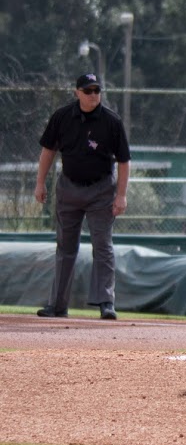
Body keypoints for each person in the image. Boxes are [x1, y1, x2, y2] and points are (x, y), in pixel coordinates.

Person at [34, 73, 131, 320]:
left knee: (103, 246)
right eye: (88, 91)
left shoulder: (111, 121)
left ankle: (106, 302)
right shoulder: (62, 117)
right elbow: (48, 151)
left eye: (97, 90)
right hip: (68, 188)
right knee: (65, 247)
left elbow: (123, 161)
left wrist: (121, 195)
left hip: (101, 190)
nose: (93, 95)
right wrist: (40, 183)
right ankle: (57, 305)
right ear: (77, 92)